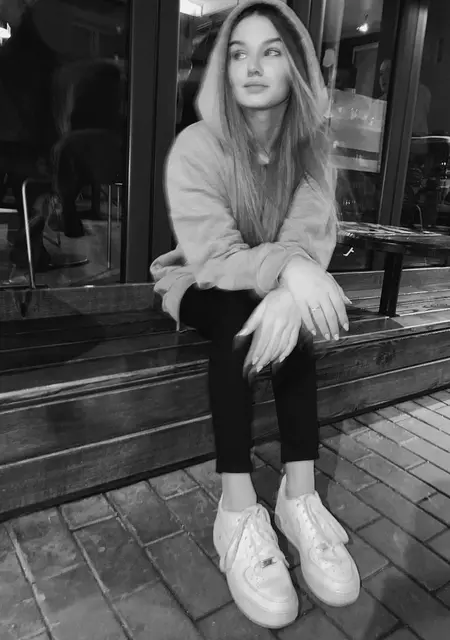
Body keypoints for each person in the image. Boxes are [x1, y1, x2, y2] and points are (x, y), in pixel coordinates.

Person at [151, 0, 360, 629]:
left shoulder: (311, 149)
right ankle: (238, 510)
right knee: (243, 315)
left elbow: (308, 233)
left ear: (296, 65)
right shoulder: (197, 146)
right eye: (238, 53)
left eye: (271, 51)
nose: (251, 66)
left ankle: (299, 496)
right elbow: (215, 257)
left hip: (270, 283)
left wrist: (290, 287)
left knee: (289, 320)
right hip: (200, 281)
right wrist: (290, 272)